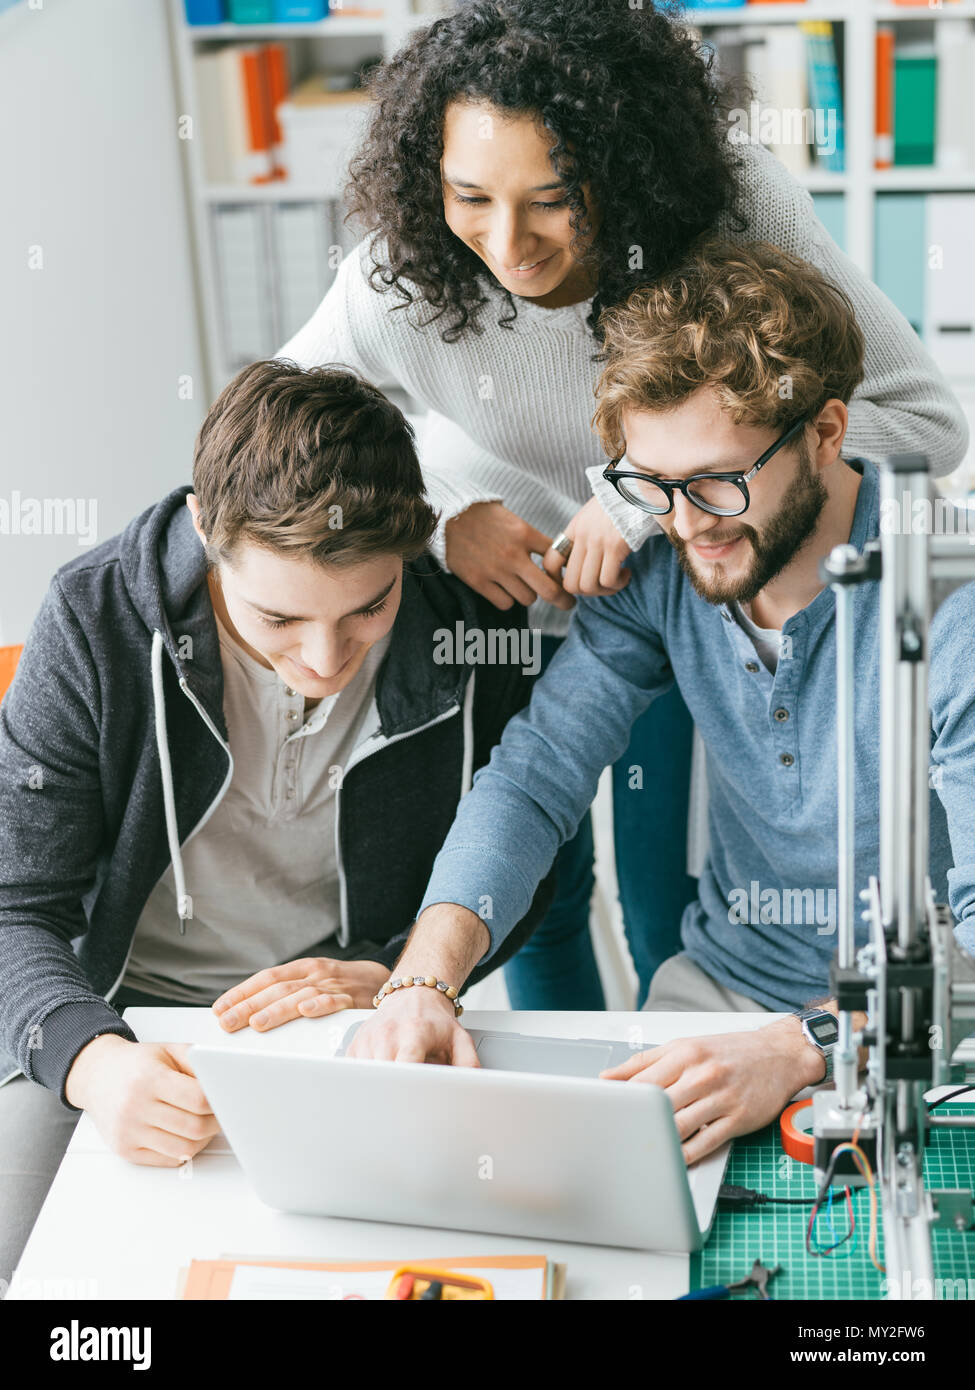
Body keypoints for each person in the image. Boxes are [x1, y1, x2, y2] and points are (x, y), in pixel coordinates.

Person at [280, 0, 969, 1009]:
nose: (507, 244)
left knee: (660, 898)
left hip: (685, 564)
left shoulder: (731, 207)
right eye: (470, 195)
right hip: (546, 583)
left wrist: (637, 505)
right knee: (548, 895)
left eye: (552, 198)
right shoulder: (399, 280)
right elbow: (282, 433)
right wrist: (441, 515)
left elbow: (922, 423)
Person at [342, 237, 975, 1161]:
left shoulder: (951, 595)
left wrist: (806, 1042)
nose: (685, 525)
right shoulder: (665, 567)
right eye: (652, 488)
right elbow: (536, 776)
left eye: (719, 481)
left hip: (928, 1030)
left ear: (827, 433)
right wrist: (422, 981)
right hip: (719, 997)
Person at [0, 360, 549, 1289]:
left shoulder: (468, 626)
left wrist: (399, 971)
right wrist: (94, 1064)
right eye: (280, 616)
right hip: (119, 1018)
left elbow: (525, 864)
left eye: (369, 607)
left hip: (355, 1019)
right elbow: (14, 907)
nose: (325, 658)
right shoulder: (93, 617)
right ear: (207, 531)